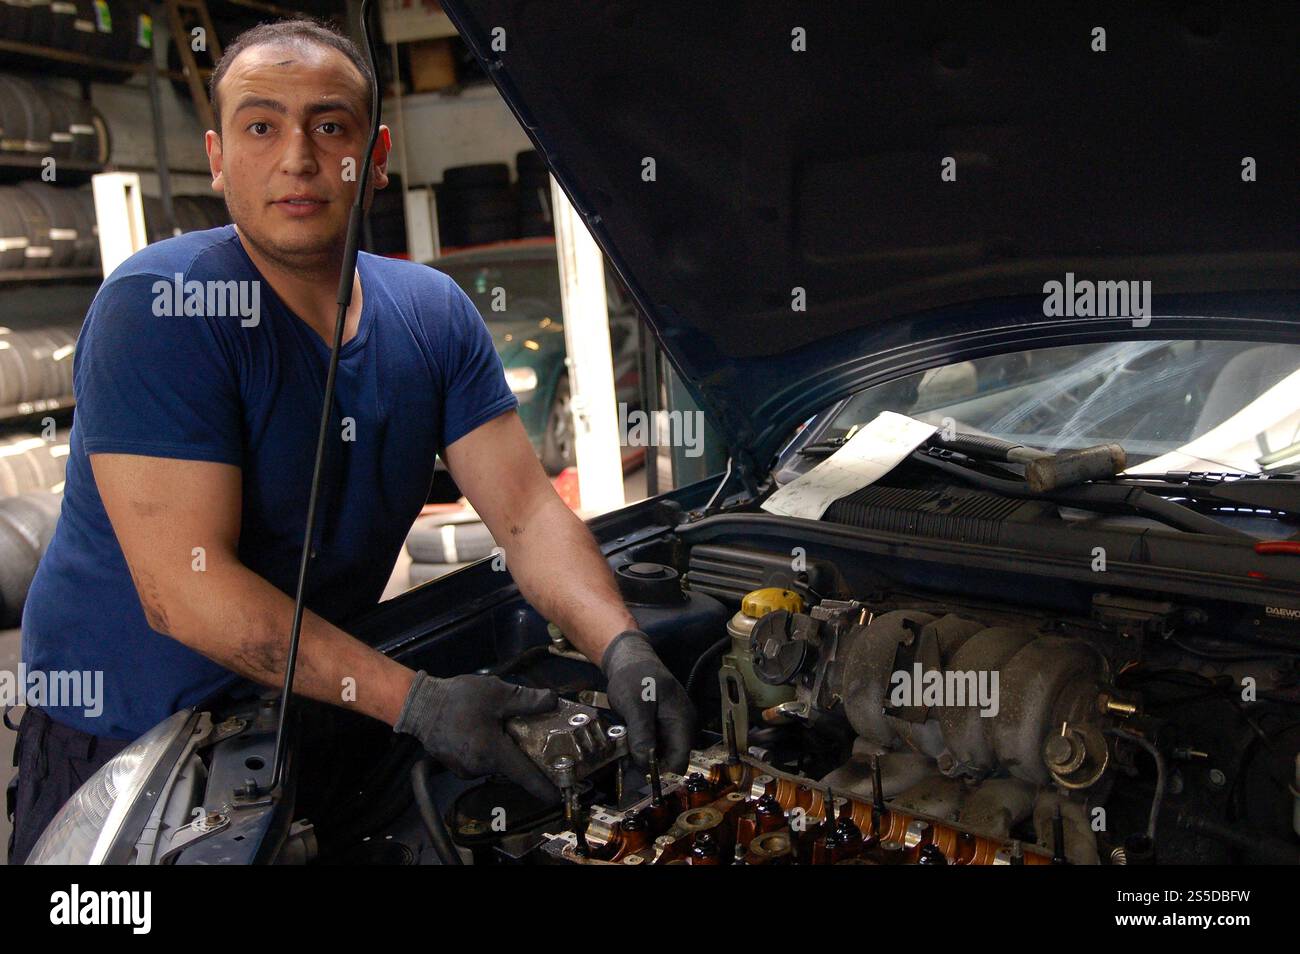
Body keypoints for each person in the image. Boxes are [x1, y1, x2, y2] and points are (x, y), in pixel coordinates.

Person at [7, 17, 692, 864]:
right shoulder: (163, 309)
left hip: (319, 705)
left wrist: (621, 646)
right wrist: (421, 703)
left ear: (375, 157)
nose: (298, 156)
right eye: (262, 126)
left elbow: (524, 517)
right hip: (131, 748)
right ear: (218, 158)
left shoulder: (432, 315)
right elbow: (183, 591)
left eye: (330, 125)